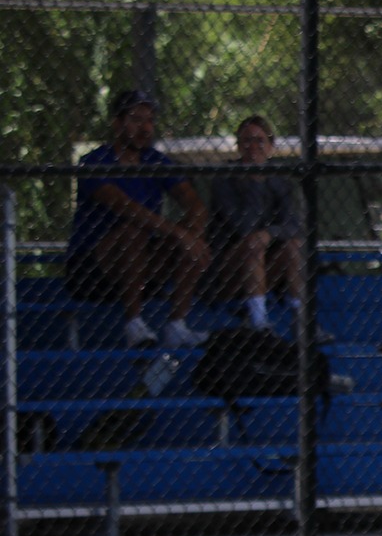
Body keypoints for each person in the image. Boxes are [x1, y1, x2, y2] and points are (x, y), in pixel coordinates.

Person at [66, 89, 212, 348]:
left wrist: (193, 231)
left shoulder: (156, 161)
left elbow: (194, 203)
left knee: (191, 230)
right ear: (118, 123)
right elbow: (125, 208)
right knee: (135, 229)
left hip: (144, 266)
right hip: (93, 270)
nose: (145, 128)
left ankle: (176, 325)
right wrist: (180, 234)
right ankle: (133, 323)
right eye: (136, 119)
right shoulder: (95, 161)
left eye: (150, 120)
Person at [206, 116, 315, 338]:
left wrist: (270, 233)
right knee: (253, 242)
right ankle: (259, 323)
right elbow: (244, 226)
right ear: (238, 145)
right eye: (247, 141)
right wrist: (255, 182)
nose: (253, 147)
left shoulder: (280, 179)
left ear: (271, 147)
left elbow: (294, 225)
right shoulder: (225, 178)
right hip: (227, 271)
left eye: (259, 141)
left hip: (266, 264)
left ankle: (301, 319)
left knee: (294, 245)